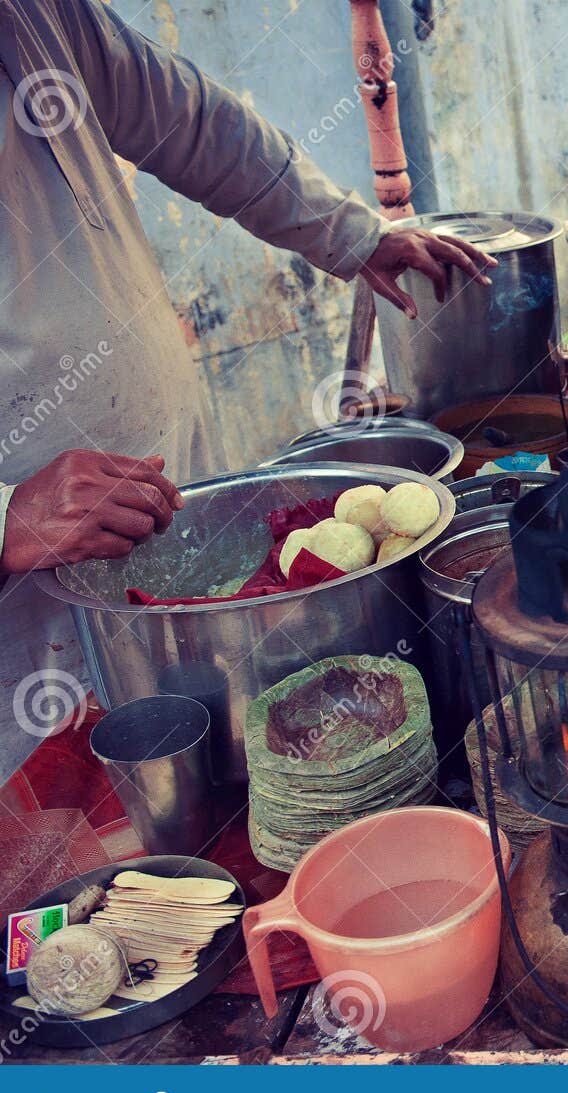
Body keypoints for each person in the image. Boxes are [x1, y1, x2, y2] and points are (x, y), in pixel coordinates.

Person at [0, 0, 492, 773]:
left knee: (220, 784)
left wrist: (351, 231)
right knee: (69, 846)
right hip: (25, 642)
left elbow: (191, 122)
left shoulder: (39, 19)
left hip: (167, 527)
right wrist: (7, 516)